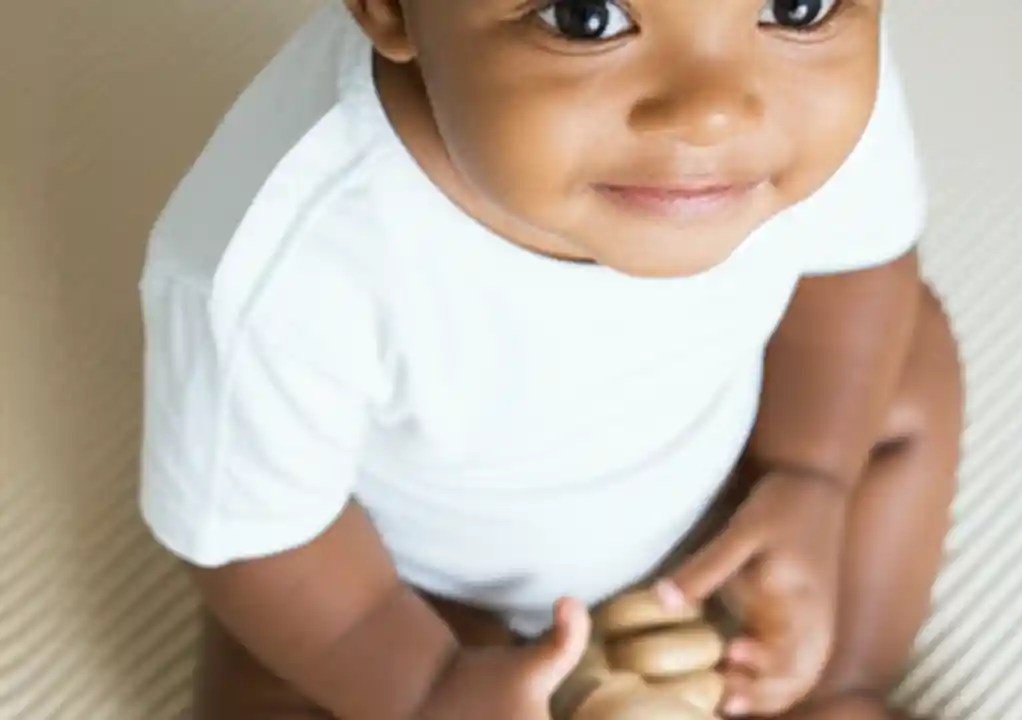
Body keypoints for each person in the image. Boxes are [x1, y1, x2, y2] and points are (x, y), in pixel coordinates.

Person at [139, 1, 963, 718]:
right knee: (279, 666)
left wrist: (811, 473)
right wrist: (424, 689)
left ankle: (828, 687)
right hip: (410, 589)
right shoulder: (283, 258)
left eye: (797, 4)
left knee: (901, 356)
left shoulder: (801, 83)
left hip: (737, 480)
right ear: (387, 6)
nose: (716, 111)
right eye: (585, 16)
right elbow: (257, 538)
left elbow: (859, 260)